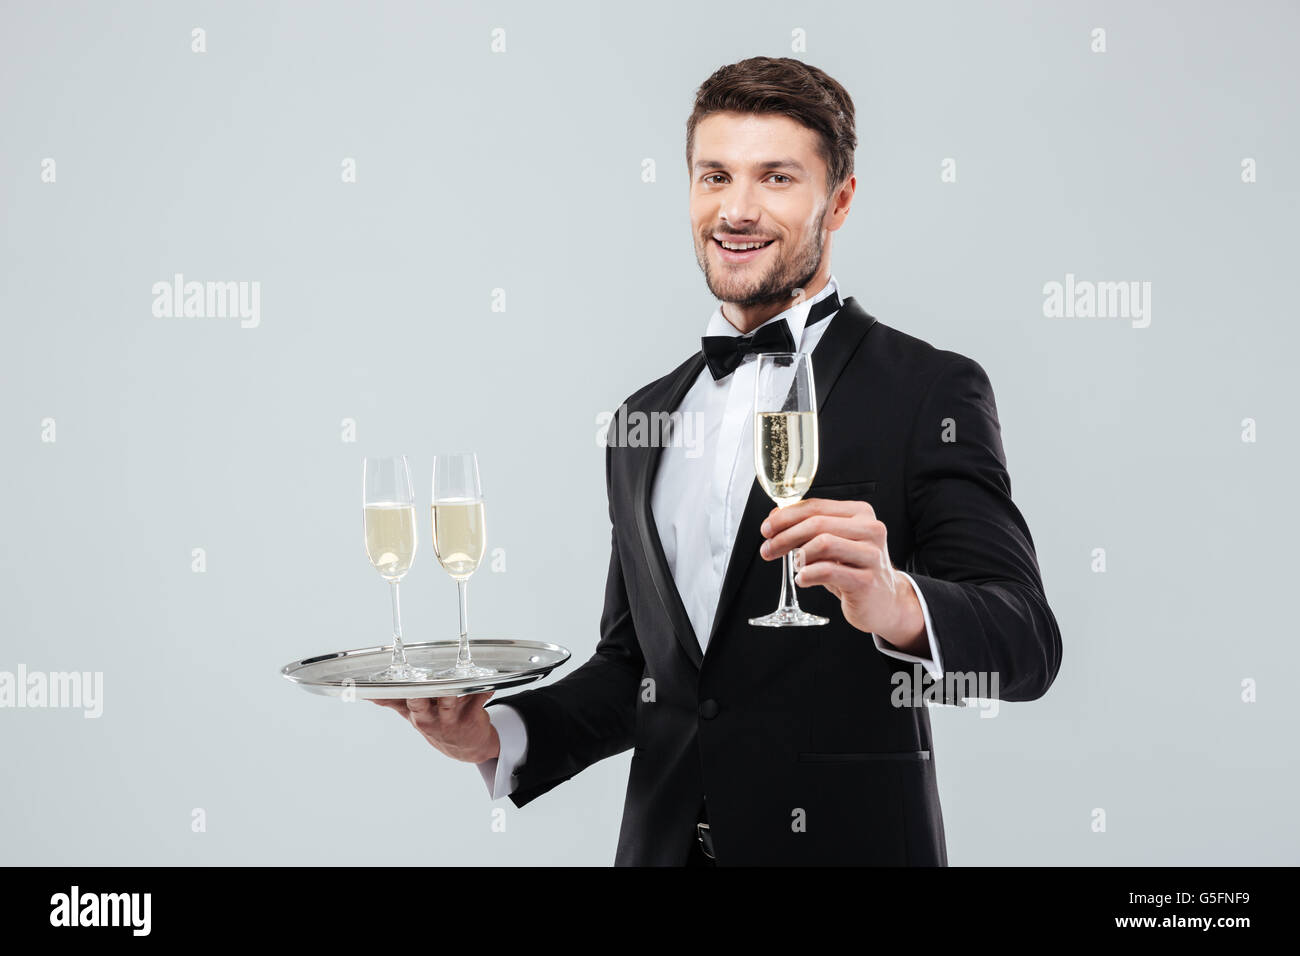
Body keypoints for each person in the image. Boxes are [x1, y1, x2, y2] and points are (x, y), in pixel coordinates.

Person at [373, 56, 1062, 866]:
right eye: (714, 176)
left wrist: (897, 604)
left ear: (838, 199)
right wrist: (495, 733)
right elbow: (639, 671)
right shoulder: (642, 417)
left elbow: (1028, 645)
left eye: (776, 178)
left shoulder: (927, 390)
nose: (736, 210)